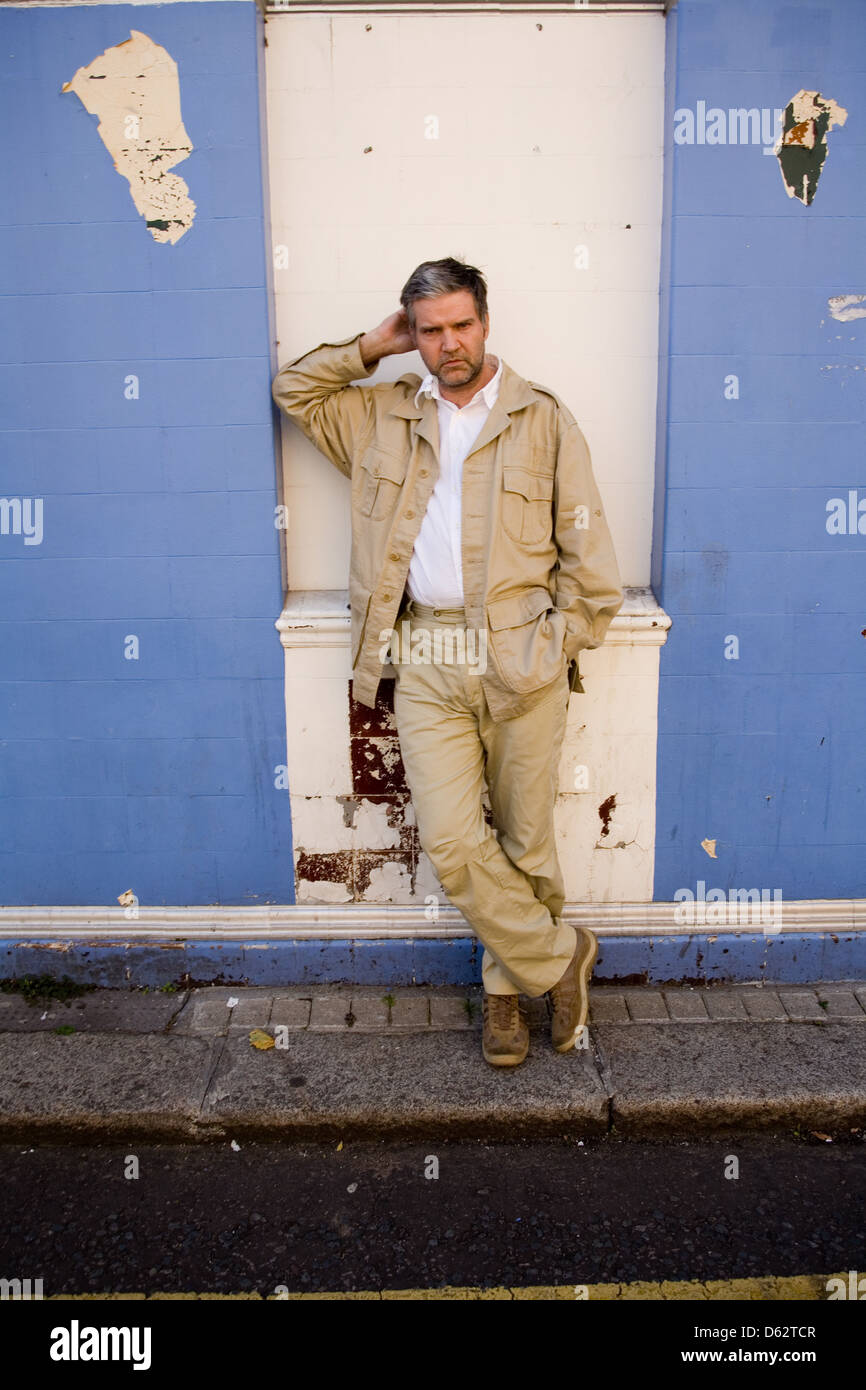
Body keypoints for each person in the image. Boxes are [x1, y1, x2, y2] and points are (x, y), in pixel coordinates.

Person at [272, 257, 623, 1068]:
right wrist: (372, 346)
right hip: (427, 648)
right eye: (429, 330)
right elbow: (295, 390)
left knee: (527, 842)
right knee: (456, 842)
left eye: (461, 325)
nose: (448, 343)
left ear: (487, 322)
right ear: (413, 335)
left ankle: (506, 996)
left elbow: (591, 560)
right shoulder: (379, 417)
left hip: (521, 650)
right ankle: (559, 956)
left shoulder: (545, 418)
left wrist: (558, 640)